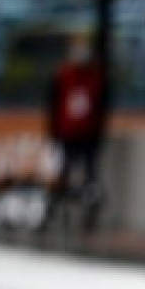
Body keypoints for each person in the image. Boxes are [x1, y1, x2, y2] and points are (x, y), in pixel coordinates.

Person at [44, 35, 108, 217]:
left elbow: (101, 108)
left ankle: (89, 213)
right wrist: (54, 131)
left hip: (88, 135)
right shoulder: (63, 76)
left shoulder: (96, 79)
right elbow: (53, 105)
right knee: (62, 173)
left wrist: (98, 134)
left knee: (90, 175)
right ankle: (54, 211)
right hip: (67, 134)